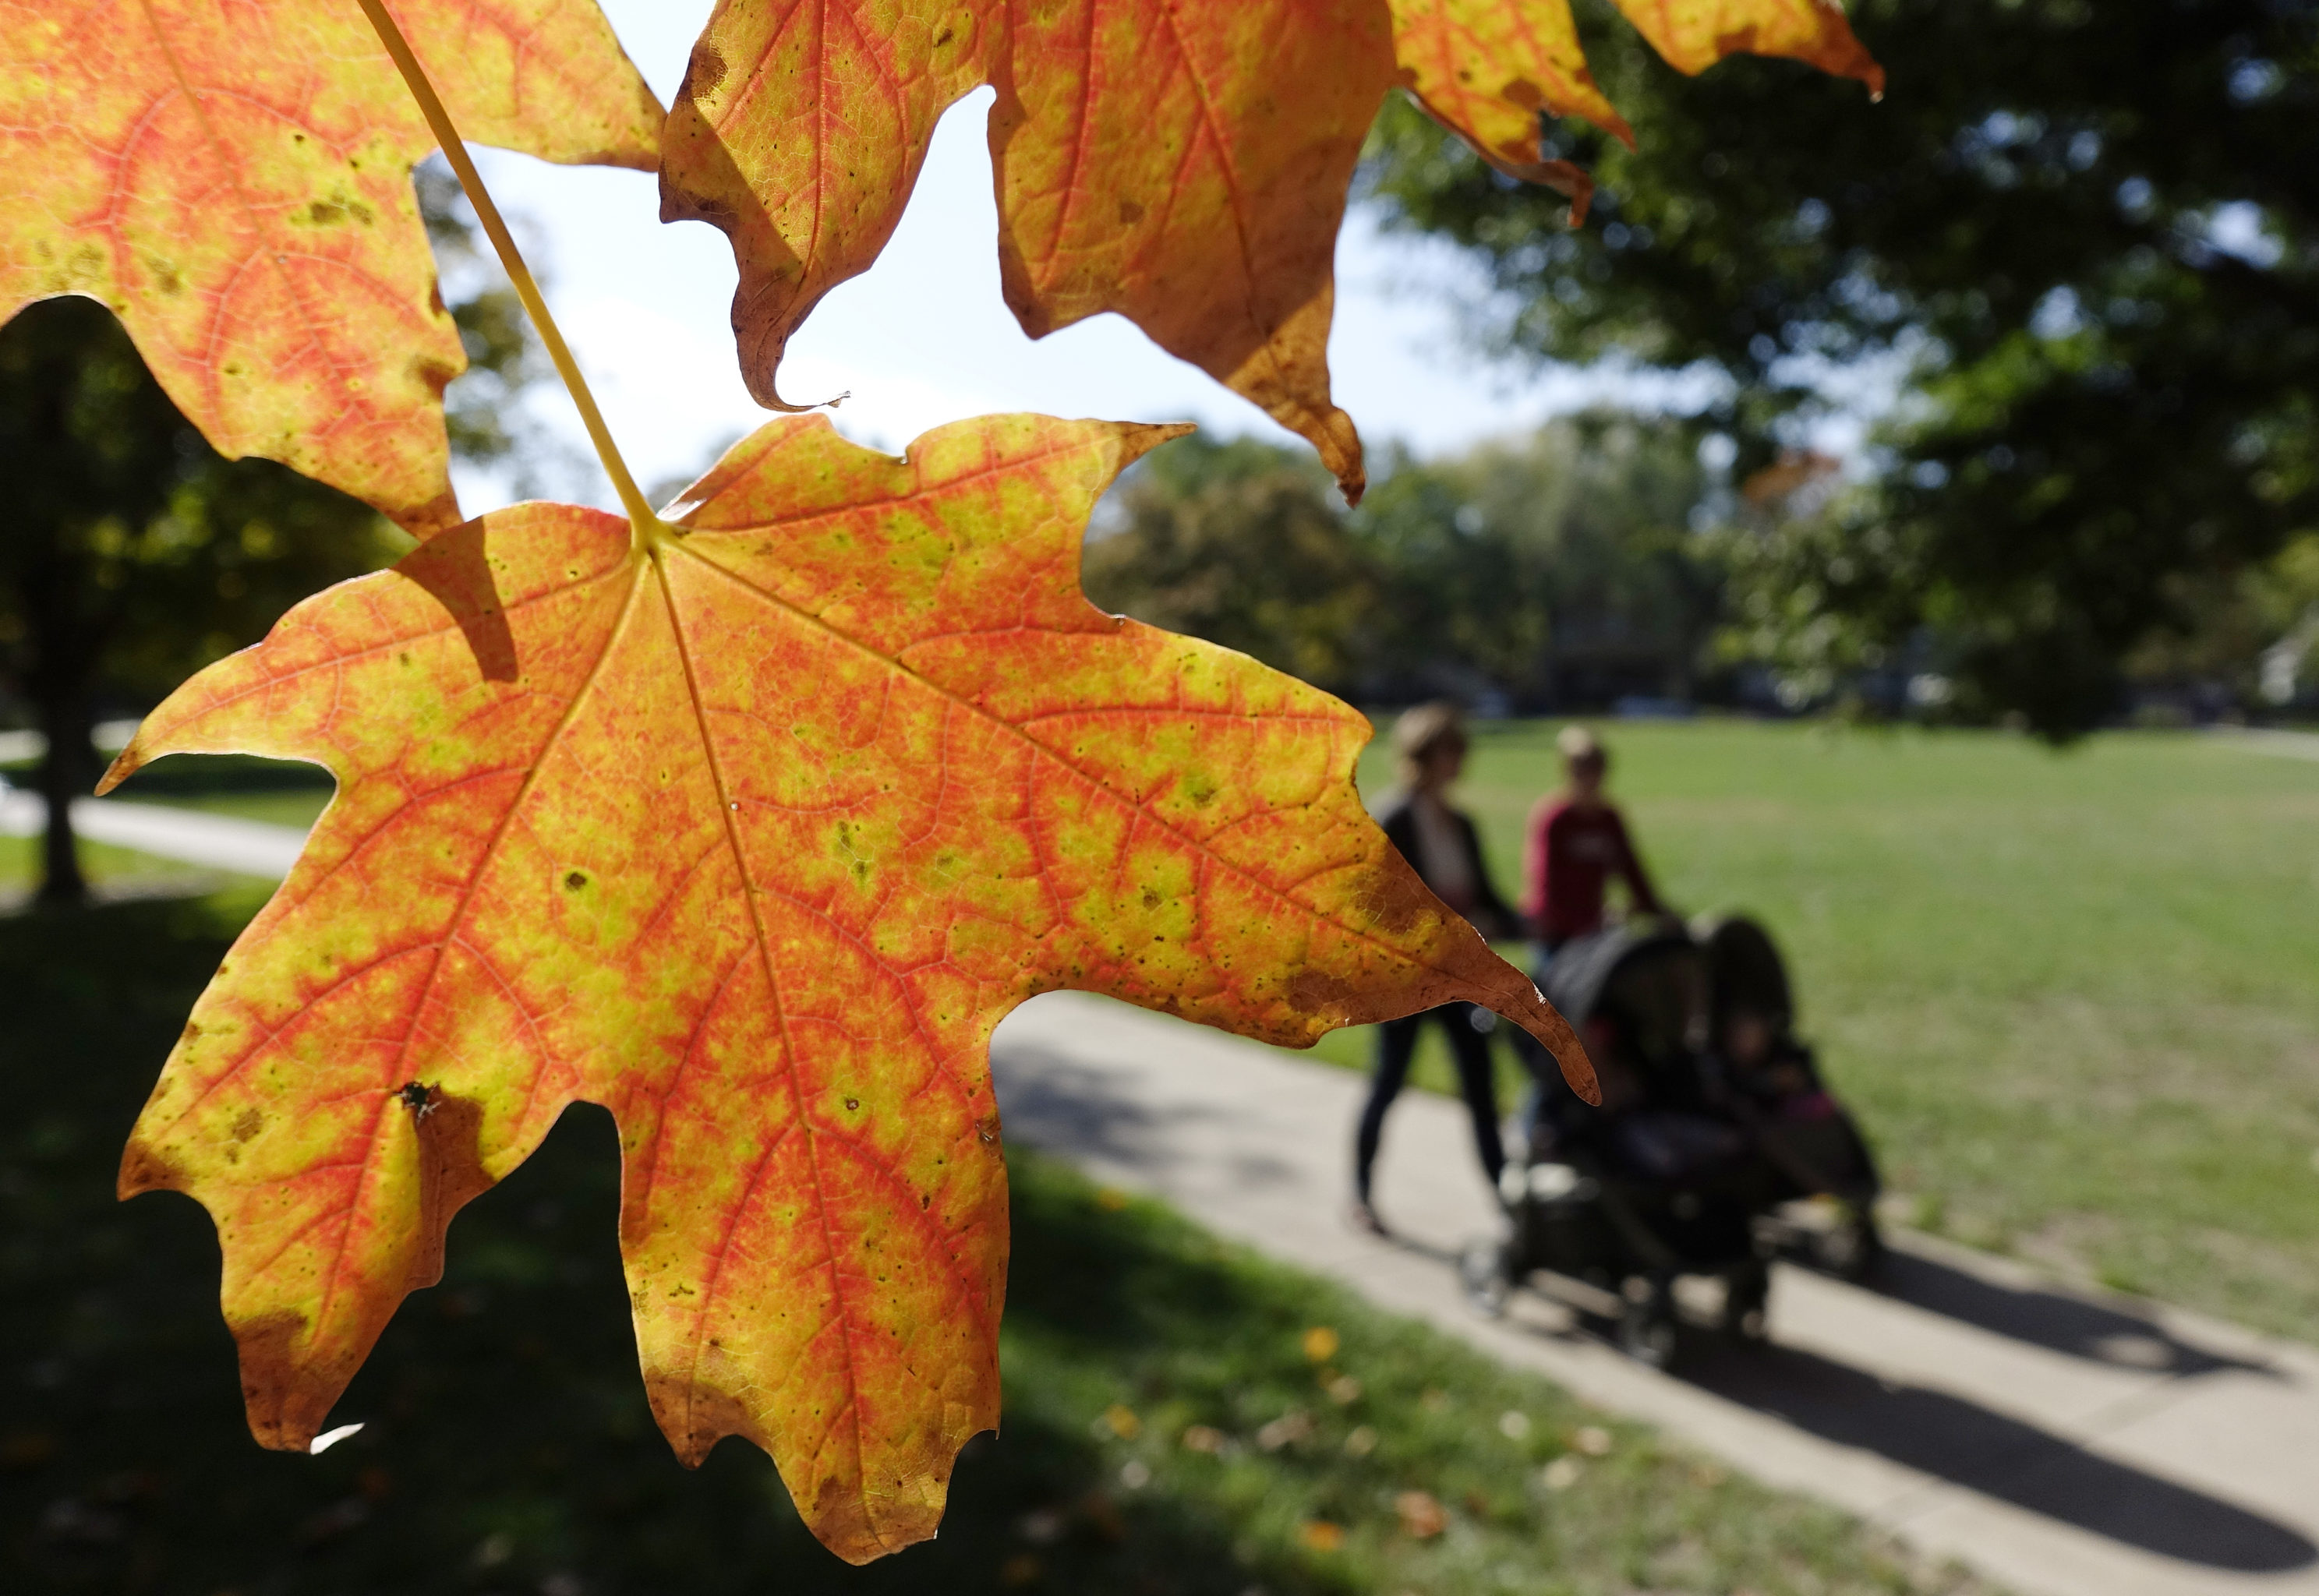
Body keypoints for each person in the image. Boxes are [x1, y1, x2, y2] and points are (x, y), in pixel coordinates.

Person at [1352, 702, 1519, 1234]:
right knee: (1388, 1084)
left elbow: (1490, 898)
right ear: (1424, 755)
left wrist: (1539, 923)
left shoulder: (1462, 824)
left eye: (1459, 751)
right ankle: (1360, 1194)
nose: (1458, 761)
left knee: (1479, 1086)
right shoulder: (1393, 816)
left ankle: (1504, 1198)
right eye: (1449, 751)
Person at [1522, 726, 1663, 956]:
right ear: (1567, 770)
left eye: (1595, 768)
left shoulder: (1609, 819)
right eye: (1581, 769)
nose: (1589, 778)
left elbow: (1631, 870)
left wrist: (1655, 909)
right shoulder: (1554, 818)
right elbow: (1543, 882)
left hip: (1594, 929)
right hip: (1555, 931)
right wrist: (1579, 927)